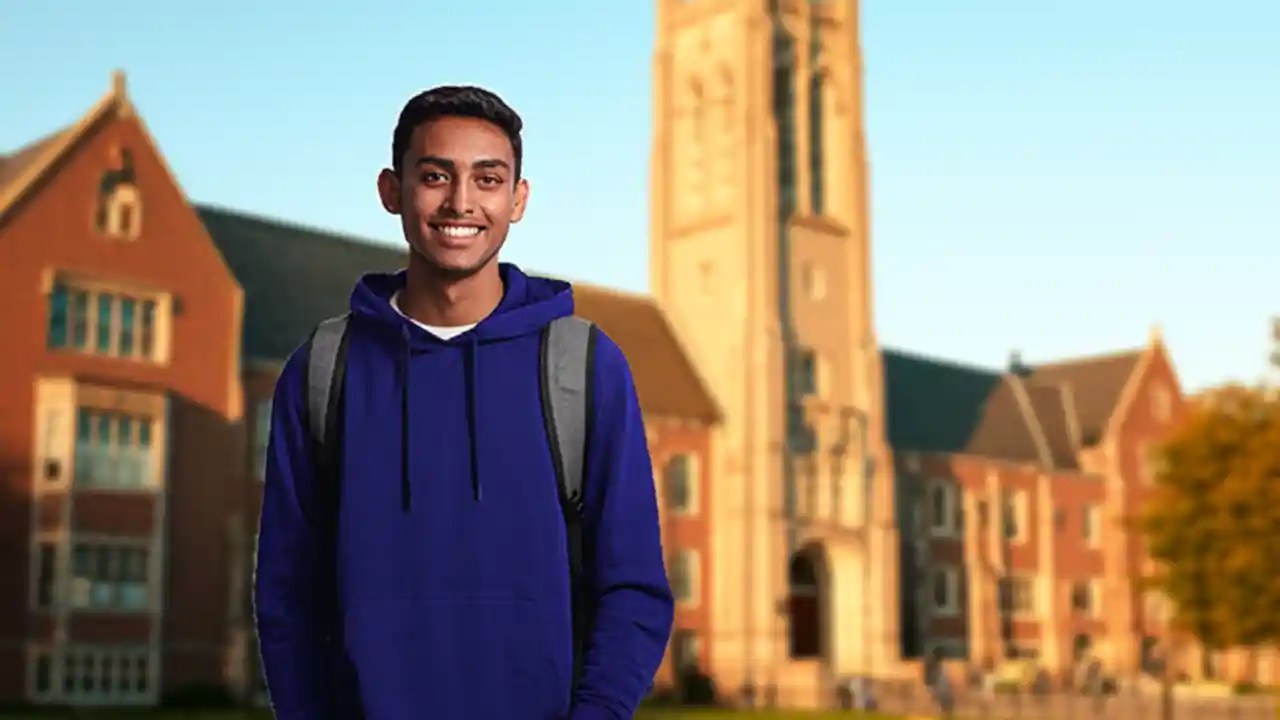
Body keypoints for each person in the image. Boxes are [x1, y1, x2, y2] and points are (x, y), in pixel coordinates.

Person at [253, 85, 675, 719]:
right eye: (434, 175)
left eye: (487, 178)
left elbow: (635, 588)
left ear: (517, 199)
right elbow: (286, 594)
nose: (461, 202)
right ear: (391, 191)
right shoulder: (322, 368)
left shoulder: (583, 367)